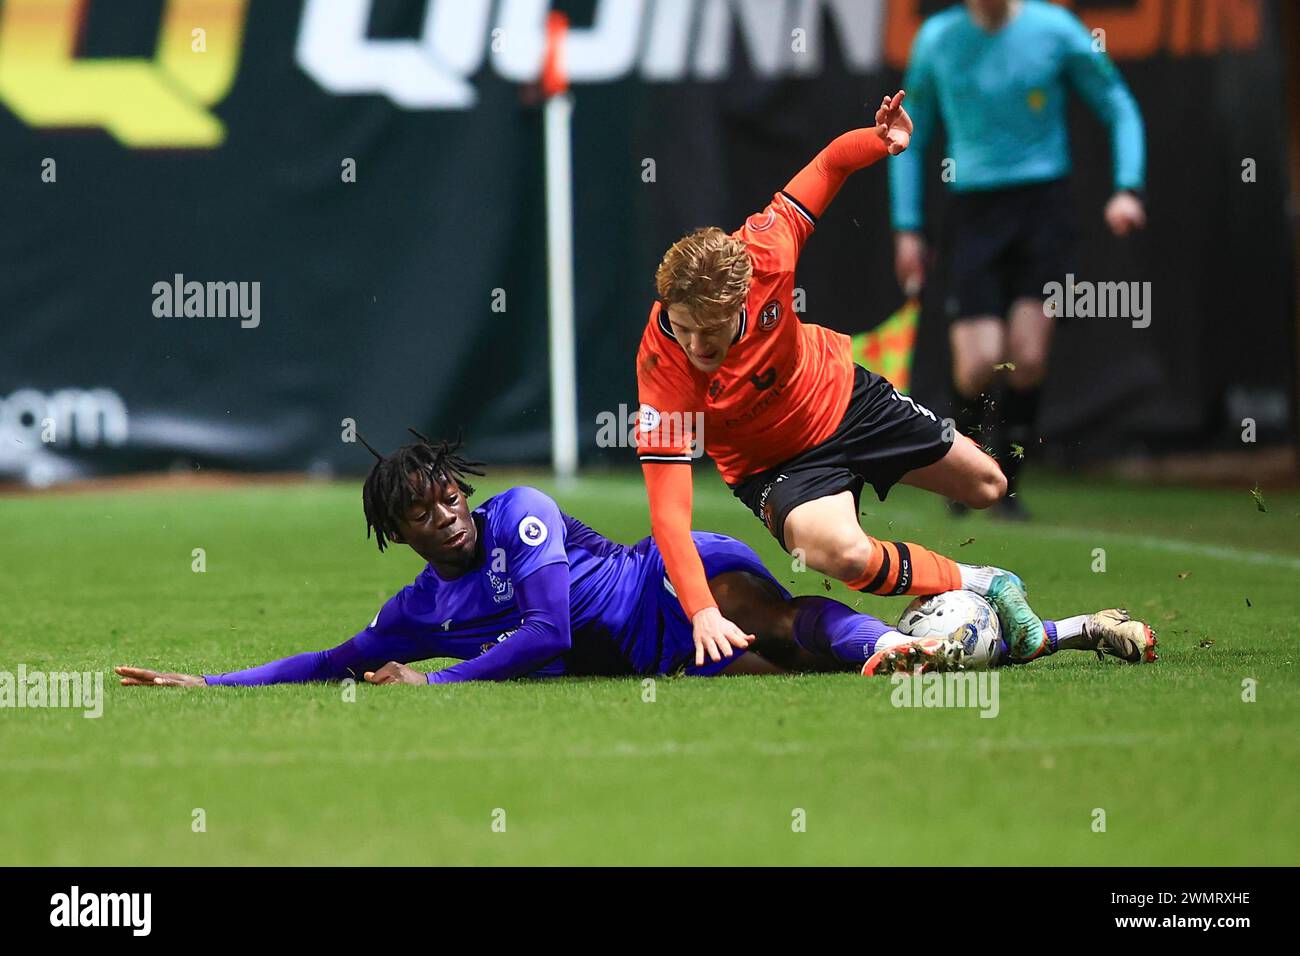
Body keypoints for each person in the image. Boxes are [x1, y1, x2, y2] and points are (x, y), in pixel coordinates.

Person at [115, 434, 1156, 689]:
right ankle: (1068, 628)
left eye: (444, 491)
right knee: (799, 663)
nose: (443, 511)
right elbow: (338, 656)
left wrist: (434, 688)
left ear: (462, 489)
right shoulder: (417, 608)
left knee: (792, 621)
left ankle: (900, 635)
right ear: (399, 531)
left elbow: (553, 629)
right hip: (659, 656)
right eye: (419, 510)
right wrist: (207, 680)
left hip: (672, 579)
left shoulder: (521, 512)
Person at [635, 91, 1057, 671]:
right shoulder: (663, 365)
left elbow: (830, 165)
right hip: (775, 464)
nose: (696, 347)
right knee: (838, 552)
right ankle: (983, 581)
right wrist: (703, 609)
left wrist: (881, 142)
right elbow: (668, 515)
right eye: (682, 328)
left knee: (989, 485)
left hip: (841, 396)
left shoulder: (767, 247)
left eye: (710, 332)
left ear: (741, 298)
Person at [890, 0, 1146, 519]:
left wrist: (1127, 186)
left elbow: (1116, 101)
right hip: (974, 212)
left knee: (1027, 358)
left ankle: (1007, 485)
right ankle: (966, 471)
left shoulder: (1055, 30)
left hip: (1042, 209)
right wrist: (908, 226)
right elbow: (908, 140)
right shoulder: (938, 39)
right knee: (980, 363)